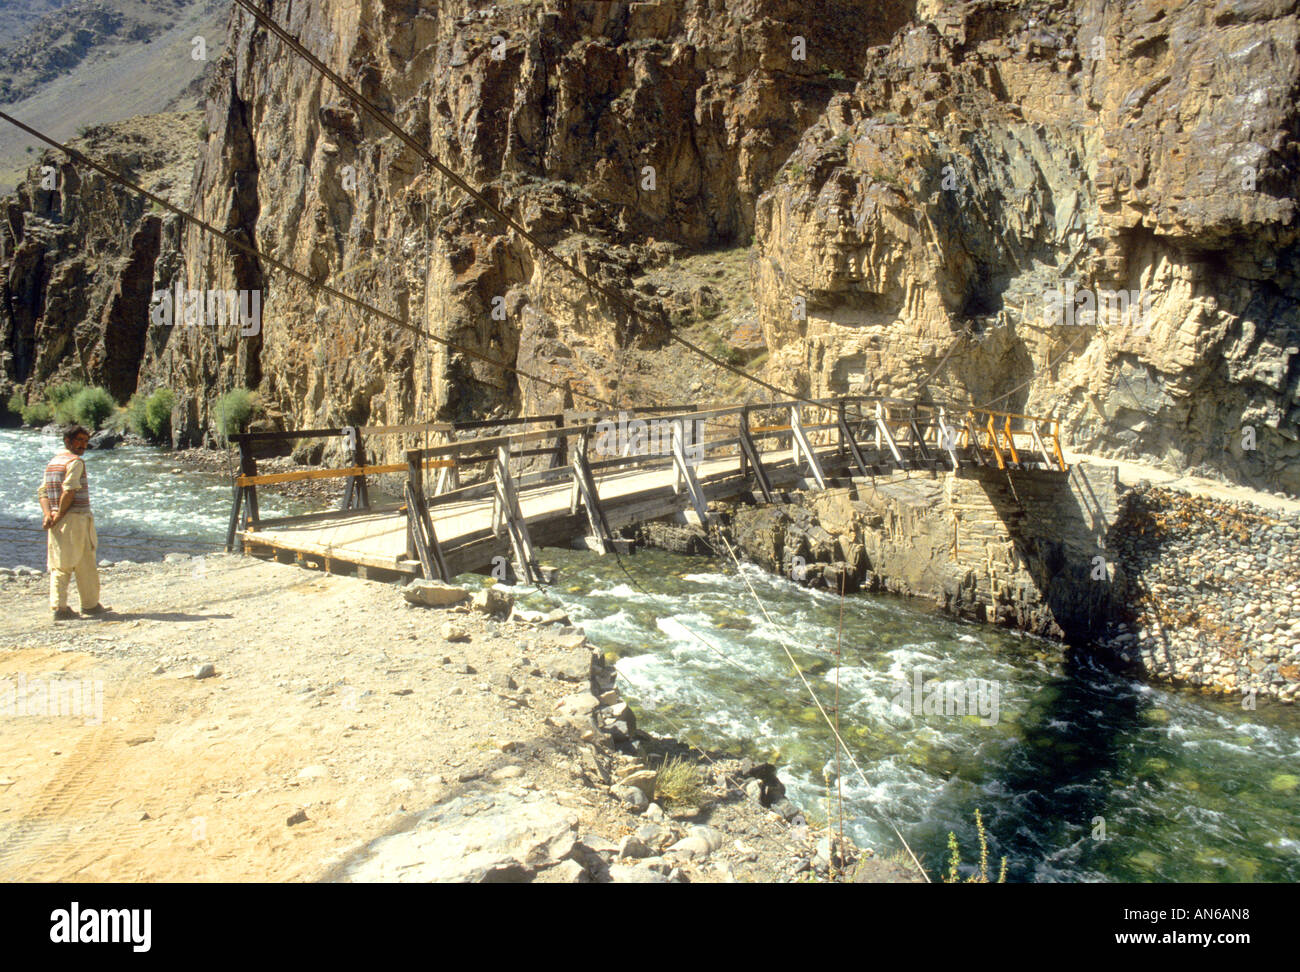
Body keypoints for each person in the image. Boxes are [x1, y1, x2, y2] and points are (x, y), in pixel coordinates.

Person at [38, 424, 108, 621]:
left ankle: (91, 604)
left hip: (58, 519)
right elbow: (69, 491)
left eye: (85, 441)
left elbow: (43, 492)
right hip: (74, 519)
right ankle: (59, 608)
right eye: (79, 440)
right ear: (67, 441)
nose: (83, 445)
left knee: (84, 561)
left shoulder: (53, 463)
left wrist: (48, 515)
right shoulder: (75, 462)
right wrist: (59, 514)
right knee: (64, 565)